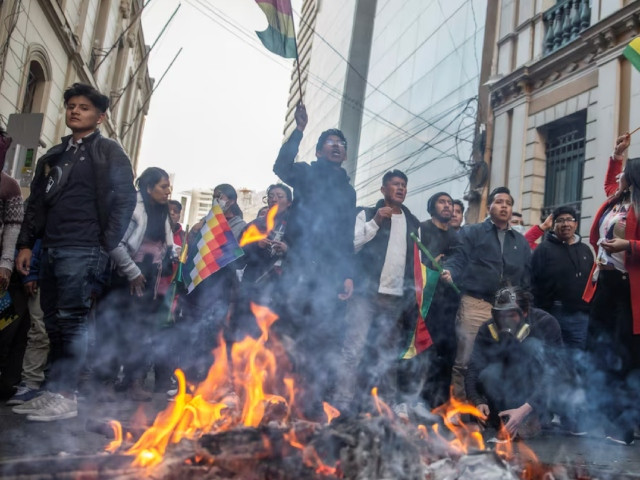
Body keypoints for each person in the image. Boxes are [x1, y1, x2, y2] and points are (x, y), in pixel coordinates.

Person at [13, 83, 136, 421]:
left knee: (72, 322)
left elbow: (126, 199)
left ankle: (67, 395)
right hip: (51, 246)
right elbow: (35, 204)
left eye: (83, 107)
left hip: (84, 248)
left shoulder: (109, 151)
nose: (75, 111)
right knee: (52, 322)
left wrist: (106, 241)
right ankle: (53, 389)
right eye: (70, 105)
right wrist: (26, 244)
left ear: (100, 116)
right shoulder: (53, 155)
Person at [273, 103, 356, 419]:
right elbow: (281, 166)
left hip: (332, 273)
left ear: (345, 155)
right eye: (330, 143)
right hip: (300, 266)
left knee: (326, 337)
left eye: (341, 145)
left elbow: (347, 235)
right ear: (320, 151)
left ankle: (313, 402)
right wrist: (299, 130)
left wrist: (347, 275)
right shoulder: (306, 174)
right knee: (293, 332)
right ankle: (282, 396)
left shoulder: (348, 192)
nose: (337, 147)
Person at [332, 170, 421, 414]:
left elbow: (416, 262)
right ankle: (342, 403)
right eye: (395, 184)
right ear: (383, 190)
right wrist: (376, 222)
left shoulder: (413, 222)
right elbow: (352, 245)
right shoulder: (367, 213)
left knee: (388, 355)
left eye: (403, 184)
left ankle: (387, 406)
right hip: (365, 294)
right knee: (354, 349)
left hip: (395, 299)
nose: (400, 188)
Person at [442, 186, 532, 400]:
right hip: (476, 303)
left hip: (508, 310)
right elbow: (458, 258)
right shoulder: (472, 232)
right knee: (466, 359)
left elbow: (527, 277)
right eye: (499, 202)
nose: (504, 207)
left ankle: (492, 412)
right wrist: (451, 272)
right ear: (489, 206)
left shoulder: (520, 242)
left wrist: (526, 307)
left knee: (502, 360)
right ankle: (462, 413)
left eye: (508, 204)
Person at [95, 167, 173, 401]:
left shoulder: (163, 212)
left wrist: (173, 253)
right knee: (115, 332)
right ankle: (105, 383)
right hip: (125, 278)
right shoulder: (133, 208)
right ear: (148, 188)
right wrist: (132, 272)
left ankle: (133, 381)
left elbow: (164, 244)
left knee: (140, 332)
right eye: (163, 186)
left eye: (168, 186)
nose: (168, 191)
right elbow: (114, 243)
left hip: (151, 279)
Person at [582, 133, 640, 445]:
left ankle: (624, 427)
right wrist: (617, 155)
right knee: (598, 353)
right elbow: (608, 184)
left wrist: (627, 245)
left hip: (626, 292)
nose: (617, 178)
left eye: (623, 174)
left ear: (633, 180)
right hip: (603, 285)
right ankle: (600, 417)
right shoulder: (615, 202)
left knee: (624, 357)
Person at [465, 287, 562, 439]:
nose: (505, 321)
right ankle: (500, 419)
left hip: (533, 394)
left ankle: (533, 418)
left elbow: (554, 374)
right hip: (505, 387)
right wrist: (477, 401)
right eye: (500, 315)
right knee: (489, 374)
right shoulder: (488, 329)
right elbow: (473, 369)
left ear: (525, 312)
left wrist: (526, 409)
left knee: (533, 346)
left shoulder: (545, 323)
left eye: (511, 315)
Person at [174, 184, 245, 384]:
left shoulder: (239, 226)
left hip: (220, 288)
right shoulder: (204, 223)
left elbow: (236, 256)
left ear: (230, 201)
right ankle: (187, 382)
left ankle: (208, 382)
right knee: (192, 332)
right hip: (198, 287)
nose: (216, 201)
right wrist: (198, 229)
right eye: (214, 197)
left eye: (219, 197)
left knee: (212, 334)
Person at [234, 183, 292, 340]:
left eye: (280, 196)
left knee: (277, 336)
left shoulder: (297, 226)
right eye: (271, 196)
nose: (274, 199)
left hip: (284, 289)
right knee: (249, 333)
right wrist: (255, 245)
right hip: (254, 286)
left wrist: (287, 250)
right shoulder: (255, 225)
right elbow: (238, 256)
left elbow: (307, 255)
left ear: (289, 202)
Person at [419, 192, 461, 407]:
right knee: (426, 352)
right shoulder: (422, 229)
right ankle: (420, 400)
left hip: (450, 303)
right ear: (432, 205)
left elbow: (461, 261)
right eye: (442, 202)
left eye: (450, 203)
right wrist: (430, 262)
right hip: (427, 301)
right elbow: (416, 260)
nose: (447, 206)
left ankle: (441, 404)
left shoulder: (456, 235)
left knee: (447, 351)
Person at [531, 205, 593, 349]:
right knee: (551, 358)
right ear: (553, 225)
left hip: (580, 317)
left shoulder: (585, 250)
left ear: (576, 224)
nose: (565, 224)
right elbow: (532, 282)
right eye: (560, 220)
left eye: (569, 220)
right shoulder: (543, 250)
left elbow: (593, 281)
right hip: (552, 314)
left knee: (577, 361)